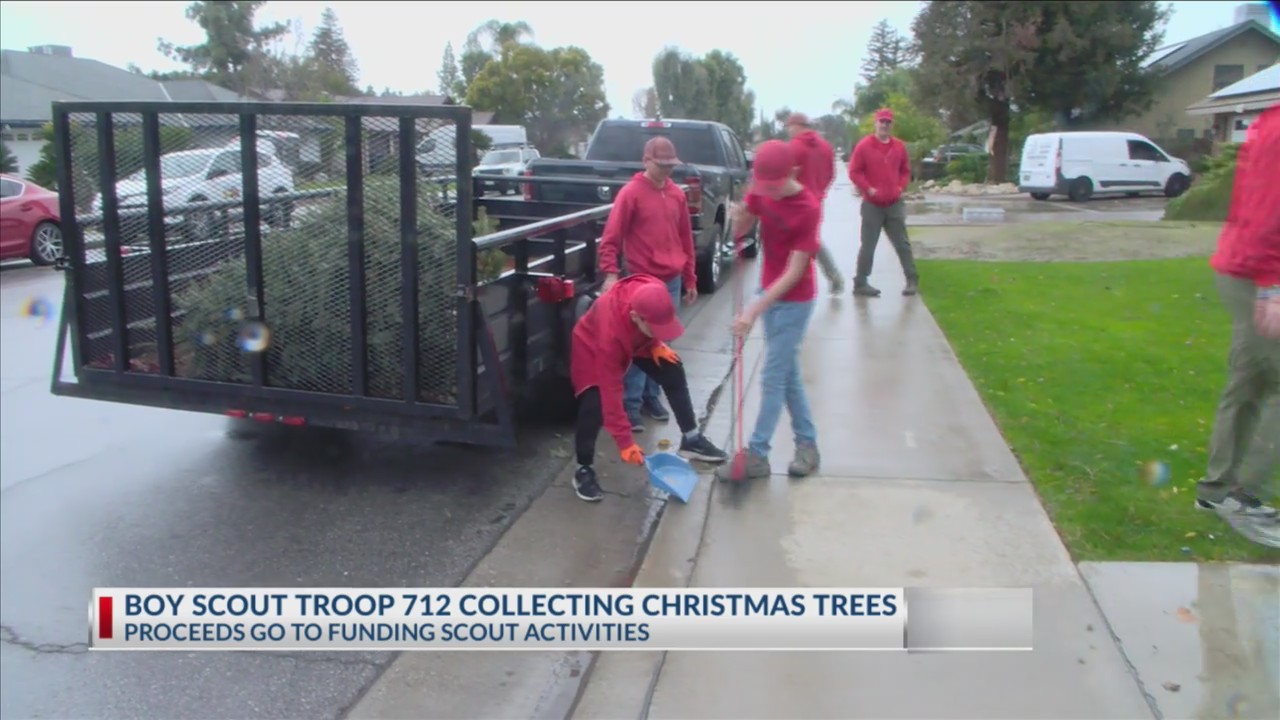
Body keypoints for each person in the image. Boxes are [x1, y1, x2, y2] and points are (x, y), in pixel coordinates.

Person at [1195, 102, 1280, 549]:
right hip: (1257, 274)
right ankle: (1246, 496)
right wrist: (1272, 288)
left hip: (1246, 268)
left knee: (1248, 383)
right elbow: (1268, 213)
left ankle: (1217, 491)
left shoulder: (1270, 123)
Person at [715, 139, 822, 482]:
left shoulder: (808, 207)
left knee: (772, 377)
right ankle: (808, 445)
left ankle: (757, 454)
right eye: (763, 186)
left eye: (774, 187)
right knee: (786, 374)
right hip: (768, 289)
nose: (768, 193)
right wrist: (740, 217)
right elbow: (744, 228)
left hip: (795, 301)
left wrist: (752, 311)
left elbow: (794, 272)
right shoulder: (761, 188)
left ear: (792, 173)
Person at [569, 274, 728, 502]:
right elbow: (612, 390)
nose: (662, 332)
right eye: (657, 330)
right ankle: (583, 469)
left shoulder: (655, 290)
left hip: (639, 337)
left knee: (672, 368)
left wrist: (656, 343)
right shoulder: (610, 332)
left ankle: (691, 439)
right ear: (635, 317)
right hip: (591, 345)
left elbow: (655, 323)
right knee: (595, 402)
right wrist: (625, 442)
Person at [598, 136, 698, 433]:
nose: (667, 170)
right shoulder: (631, 194)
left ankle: (652, 398)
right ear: (646, 161)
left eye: (670, 165)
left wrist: (690, 276)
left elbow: (686, 239)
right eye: (661, 164)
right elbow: (611, 237)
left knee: (663, 345)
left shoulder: (676, 195)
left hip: (672, 280)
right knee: (639, 345)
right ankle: (630, 407)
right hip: (643, 281)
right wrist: (611, 272)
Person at [847, 107, 919, 297]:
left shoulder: (899, 147)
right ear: (876, 123)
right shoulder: (864, 146)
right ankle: (860, 282)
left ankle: (912, 280)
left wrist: (900, 187)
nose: (885, 125)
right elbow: (854, 171)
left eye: (888, 122)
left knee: (902, 244)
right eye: (882, 121)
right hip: (872, 205)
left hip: (894, 204)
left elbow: (905, 171)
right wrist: (868, 188)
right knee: (868, 245)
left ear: (891, 124)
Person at [784, 112, 844, 295]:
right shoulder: (825, 147)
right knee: (810, 241)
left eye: (789, 127)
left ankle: (797, 282)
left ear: (797, 126)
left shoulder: (793, 147)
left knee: (798, 244)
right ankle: (832, 277)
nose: (788, 131)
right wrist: (819, 191)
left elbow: (786, 176)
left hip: (796, 203)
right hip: (816, 202)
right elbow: (831, 174)